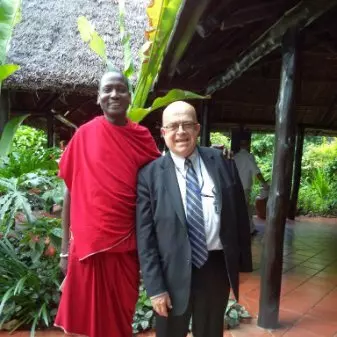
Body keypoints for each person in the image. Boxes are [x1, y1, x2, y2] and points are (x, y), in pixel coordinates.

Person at [54, 71, 160, 337]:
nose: (114, 94)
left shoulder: (142, 137)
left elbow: (159, 186)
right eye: (107, 90)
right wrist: (65, 250)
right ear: (99, 98)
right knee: (84, 322)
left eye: (121, 89)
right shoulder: (84, 135)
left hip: (126, 246)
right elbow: (69, 192)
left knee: (120, 318)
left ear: (129, 96)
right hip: (88, 247)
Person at [136, 101, 252, 337]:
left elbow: (239, 211)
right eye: (174, 126)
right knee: (171, 332)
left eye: (187, 125)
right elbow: (145, 238)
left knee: (210, 331)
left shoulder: (222, 161)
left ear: (197, 129)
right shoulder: (150, 175)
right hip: (171, 272)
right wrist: (156, 288)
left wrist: (242, 263)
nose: (181, 132)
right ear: (163, 132)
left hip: (214, 267)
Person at [233, 138, 268, 235]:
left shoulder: (235, 157)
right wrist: (264, 183)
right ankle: (249, 230)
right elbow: (256, 171)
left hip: (235, 187)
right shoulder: (249, 157)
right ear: (248, 145)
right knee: (245, 208)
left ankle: (245, 229)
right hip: (244, 187)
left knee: (239, 208)